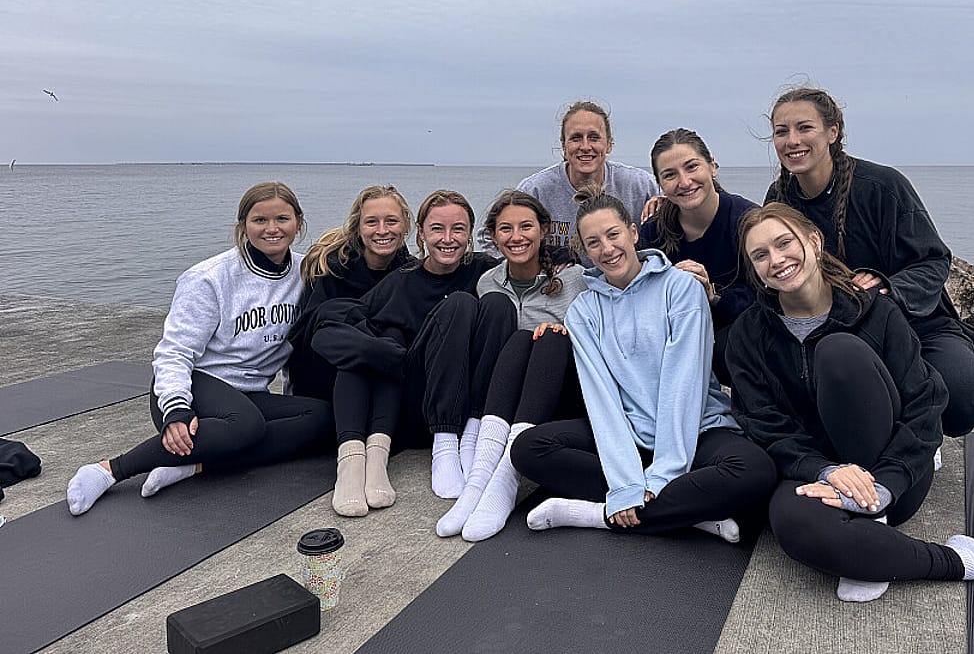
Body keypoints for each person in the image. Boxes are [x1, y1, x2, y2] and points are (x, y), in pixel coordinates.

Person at [728, 203, 974, 601]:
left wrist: (886, 485)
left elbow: (927, 403)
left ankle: (873, 527)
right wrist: (824, 469)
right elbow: (761, 422)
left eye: (784, 243)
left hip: (894, 473)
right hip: (817, 474)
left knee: (839, 352)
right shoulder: (749, 334)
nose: (776, 260)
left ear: (814, 241)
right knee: (793, 527)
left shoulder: (876, 312)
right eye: (760, 255)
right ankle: (966, 560)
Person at [511, 187, 776, 541]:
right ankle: (687, 512)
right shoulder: (583, 311)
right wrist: (626, 480)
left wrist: (663, 472)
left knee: (755, 471)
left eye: (613, 234)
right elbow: (602, 397)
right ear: (585, 251)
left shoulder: (681, 288)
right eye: (593, 243)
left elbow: (685, 383)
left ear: (633, 233)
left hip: (696, 428)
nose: (607, 249)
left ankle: (597, 515)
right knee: (528, 449)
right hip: (628, 433)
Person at [66, 182, 332, 516]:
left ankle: (194, 465)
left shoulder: (306, 273)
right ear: (243, 226)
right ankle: (110, 470)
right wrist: (176, 408)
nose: (272, 228)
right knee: (246, 426)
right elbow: (174, 352)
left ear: (298, 222)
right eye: (259, 220)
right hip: (194, 387)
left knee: (323, 418)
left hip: (248, 395)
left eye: (282, 218)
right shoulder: (209, 278)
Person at [764, 86, 974, 437]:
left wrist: (888, 286)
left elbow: (933, 261)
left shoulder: (882, 186)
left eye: (804, 128)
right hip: (835, 331)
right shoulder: (779, 198)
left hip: (916, 322)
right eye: (782, 132)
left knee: (966, 398)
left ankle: (918, 425)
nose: (792, 140)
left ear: (832, 132)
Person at [309, 190, 514, 515]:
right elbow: (334, 322)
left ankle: (477, 436)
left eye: (458, 229)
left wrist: (558, 256)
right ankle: (437, 445)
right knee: (459, 304)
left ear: (470, 234)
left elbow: (528, 264)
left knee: (498, 302)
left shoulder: (485, 270)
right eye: (437, 229)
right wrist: (387, 352)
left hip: (471, 403)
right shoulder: (400, 282)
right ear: (420, 232)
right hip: (418, 401)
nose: (448, 239)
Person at [436, 190, 588, 541]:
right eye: (506, 228)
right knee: (519, 339)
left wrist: (563, 334)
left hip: (562, 393)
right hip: (508, 399)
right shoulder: (488, 282)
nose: (516, 236)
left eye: (526, 227)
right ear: (492, 235)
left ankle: (506, 477)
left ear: (544, 230)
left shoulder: (575, 278)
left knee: (549, 338)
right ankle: (478, 482)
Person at [639, 128, 758, 386]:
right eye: (670, 175)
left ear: (712, 166)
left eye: (692, 167)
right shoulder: (653, 231)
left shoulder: (748, 221)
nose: (684, 182)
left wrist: (713, 296)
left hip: (735, 340)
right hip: (674, 342)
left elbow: (767, 298)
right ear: (660, 184)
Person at [478, 100, 660, 261]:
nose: (585, 146)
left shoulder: (640, 186)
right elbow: (488, 236)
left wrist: (667, 203)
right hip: (558, 285)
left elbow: (672, 225)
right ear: (564, 146)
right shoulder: (535, 190)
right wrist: (522, 271)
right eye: (576, 138)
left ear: (609, 144)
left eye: (594, 137)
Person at [287, 185, 415, 402]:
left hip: (387, 382)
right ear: (358, 227)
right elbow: (308, 336)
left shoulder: (409, 273)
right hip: (326, 379)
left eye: (391, 221)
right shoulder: (331, 268)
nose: (382, 230)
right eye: (371, 222)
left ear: (406, 226)